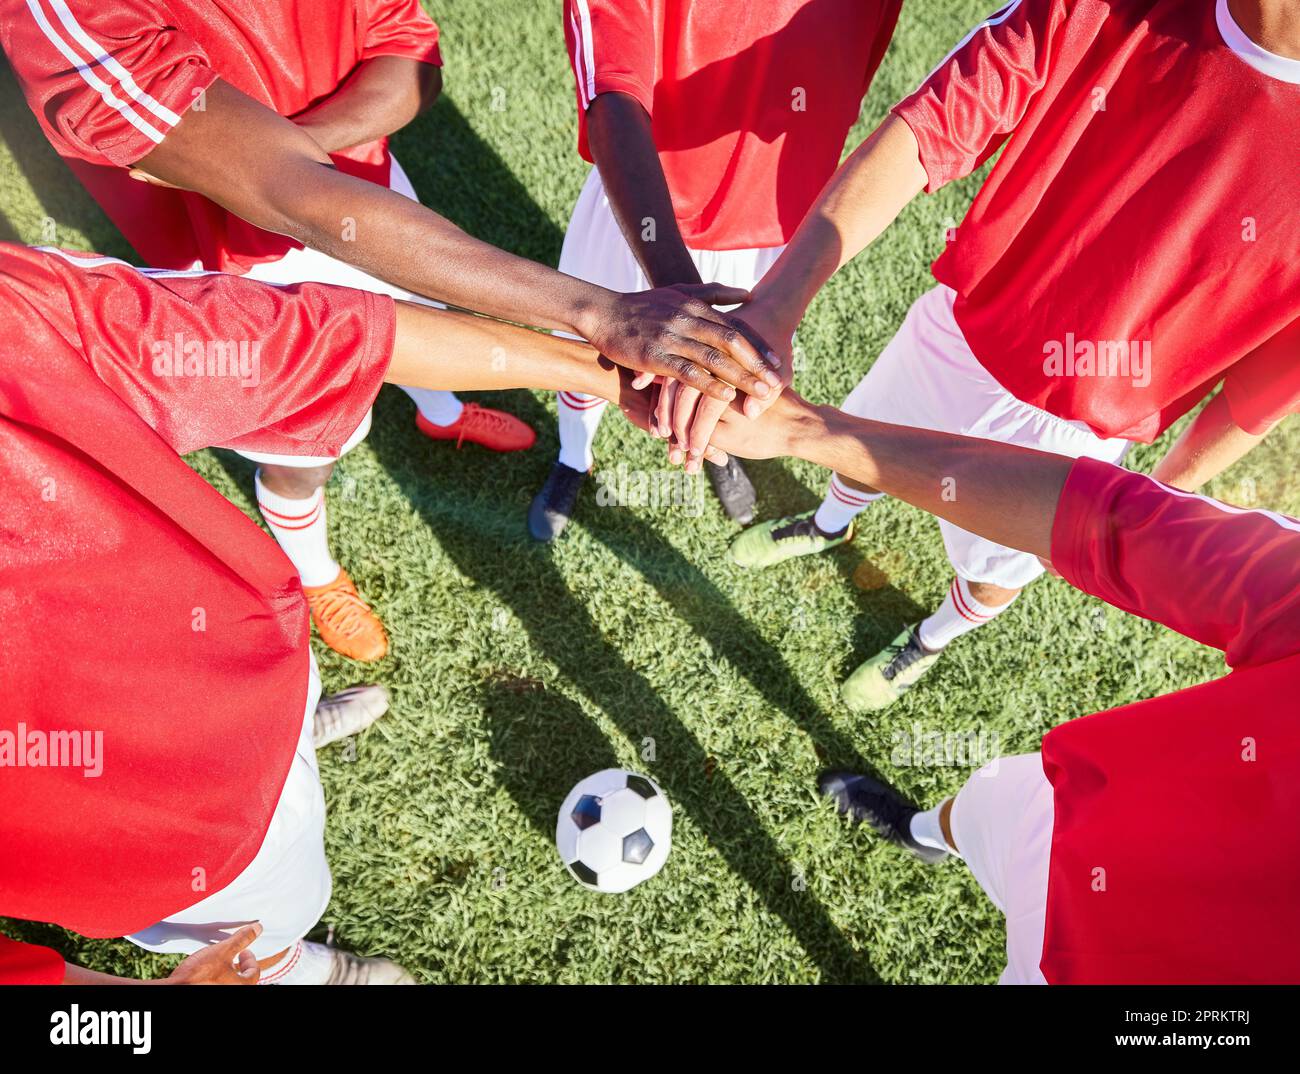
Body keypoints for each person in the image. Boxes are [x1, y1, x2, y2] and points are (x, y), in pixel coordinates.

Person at [0, 0, 782, 660]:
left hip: (367, 193)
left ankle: (440, 414)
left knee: (418, 322)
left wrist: (264, 154)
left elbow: (411, 62)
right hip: (233, 256)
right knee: (302, 449)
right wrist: (599, 314)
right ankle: (315, 573)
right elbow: (289, 197)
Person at [0, 241, 677, 984]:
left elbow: (305, 338)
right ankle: (320, 973)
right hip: (168, 835)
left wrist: (599, 365)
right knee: (275, 924)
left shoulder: (15, 311)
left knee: (289, 711)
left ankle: (297, 733)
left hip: (245, 665)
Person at [708, 0, 1300, 712]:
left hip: (1075, 431)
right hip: (961, 333)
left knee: (993, 572)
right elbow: (933, 124)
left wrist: (1154, 504)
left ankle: (931, 638)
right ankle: (828, 524)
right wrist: (777, 303)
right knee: (851, 440)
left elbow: (1262, 394)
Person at [620, 372, 1300, 984]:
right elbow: (1111, 523)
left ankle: (926, 657)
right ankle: (921, 833)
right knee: (983, 800)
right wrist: (805, 431)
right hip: (1077, 811)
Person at [527, 0, 903, 538]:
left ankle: (715, 448)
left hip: (774, 219)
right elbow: (611, 92)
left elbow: (849, 69)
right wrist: (682, 293)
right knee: (589, 351)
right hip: (642, 206)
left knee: (732, 377)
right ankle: (573, 455)